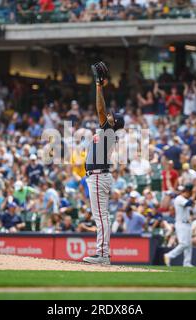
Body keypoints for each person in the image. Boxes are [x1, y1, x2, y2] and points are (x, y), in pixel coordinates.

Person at [82, 62, 125, 265]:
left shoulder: (108, 131)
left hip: (99, 176)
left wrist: (99, 85)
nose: (107, 116)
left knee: (101, 218)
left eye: (110, 117)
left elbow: (100, 107)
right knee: (101, 217)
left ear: (114, 123)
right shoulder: (108, 132)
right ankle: (103, 254)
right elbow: (101, 110)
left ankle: (103, 255)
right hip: (98, 176)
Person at [163, 184, 196, 267]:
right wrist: (194, 193)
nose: (189, 195)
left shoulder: (184, 199)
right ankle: (169, 255)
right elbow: (189, 203)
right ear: (186, 192)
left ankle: (187, 263)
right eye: (189, 193)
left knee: (189, 244)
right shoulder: (179, 199)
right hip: (181, 224)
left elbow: (192, 205)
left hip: (187, 224)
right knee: (184, 243)